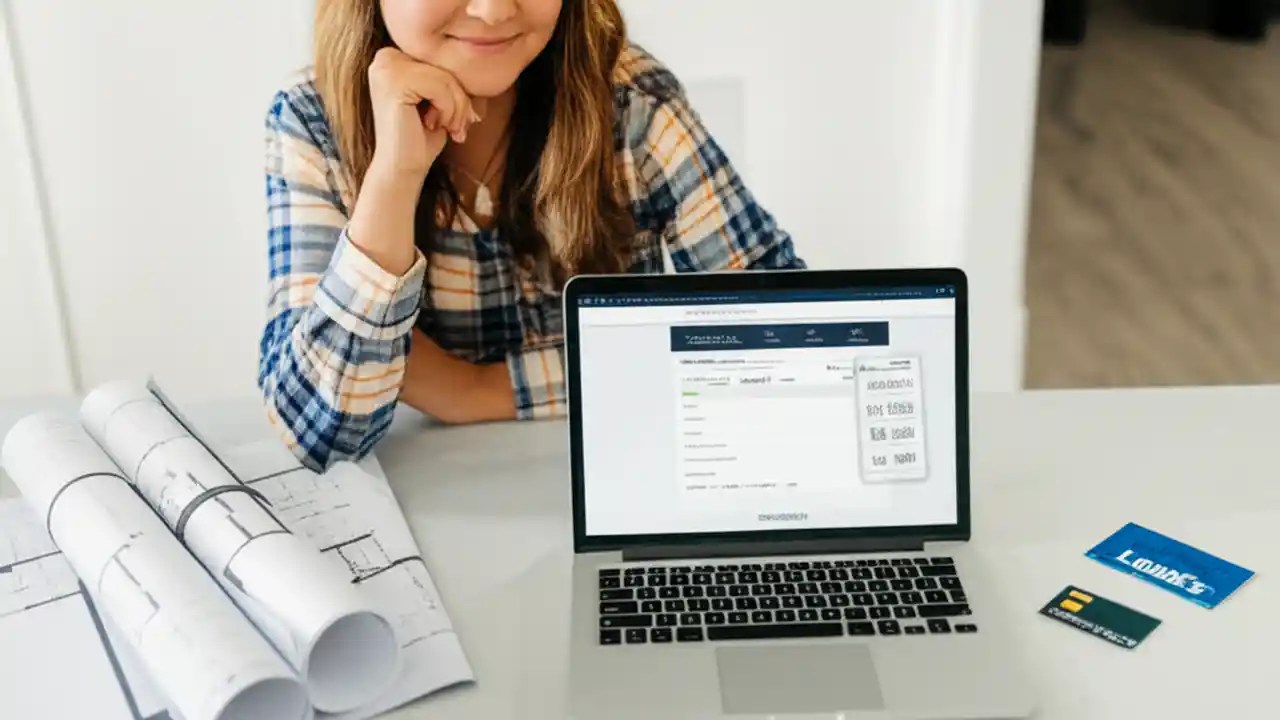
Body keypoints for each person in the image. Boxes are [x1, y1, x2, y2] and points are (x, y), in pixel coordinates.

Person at [261, 0, 804, 470]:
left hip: (622, 488)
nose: (495, 10)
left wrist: (468, 392)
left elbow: (786, 345)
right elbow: (316, 433)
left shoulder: (632, 101)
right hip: (435, 508)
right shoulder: (315, 120)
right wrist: (395, 179)